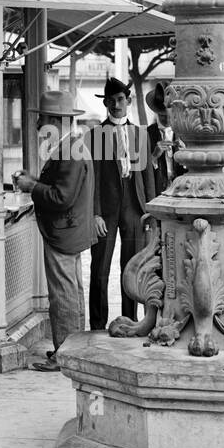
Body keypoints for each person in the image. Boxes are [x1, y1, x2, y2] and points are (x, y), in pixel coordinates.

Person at [13, 90, 97, 373]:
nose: (38, 127)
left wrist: (30, 186)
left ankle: (64, 354)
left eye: (42, 120)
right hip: (70, 232)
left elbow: (62, 197)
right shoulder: (72, 146)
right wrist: (34, 181)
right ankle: (74, 349)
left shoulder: (70, 151)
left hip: (63, 233)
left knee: (63, 296)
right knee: (72, 292)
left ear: (55, 120)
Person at [87, 77, 156, 331]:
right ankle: (97, 325)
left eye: (120, 100)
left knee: (132, 268)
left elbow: (148, 176)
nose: (116, 105)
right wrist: (95, 214)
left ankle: (130, 321)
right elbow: (91, 178)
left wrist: (150, 213)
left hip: (135, 209)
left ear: (128, 101)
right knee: (100, 269)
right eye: (111, 101)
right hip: (105, 211)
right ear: (105, 103)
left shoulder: (141, 134)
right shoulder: (95, 135)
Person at [145, 81, 183, 193]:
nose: (166, 119)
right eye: (162, 115)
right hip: (157, 191)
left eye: (169, 115)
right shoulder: (146, 134)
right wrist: (154, 156)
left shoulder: (183, 133)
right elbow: (141, 173)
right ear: (156, 112)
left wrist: (185, 155)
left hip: (180, 189)